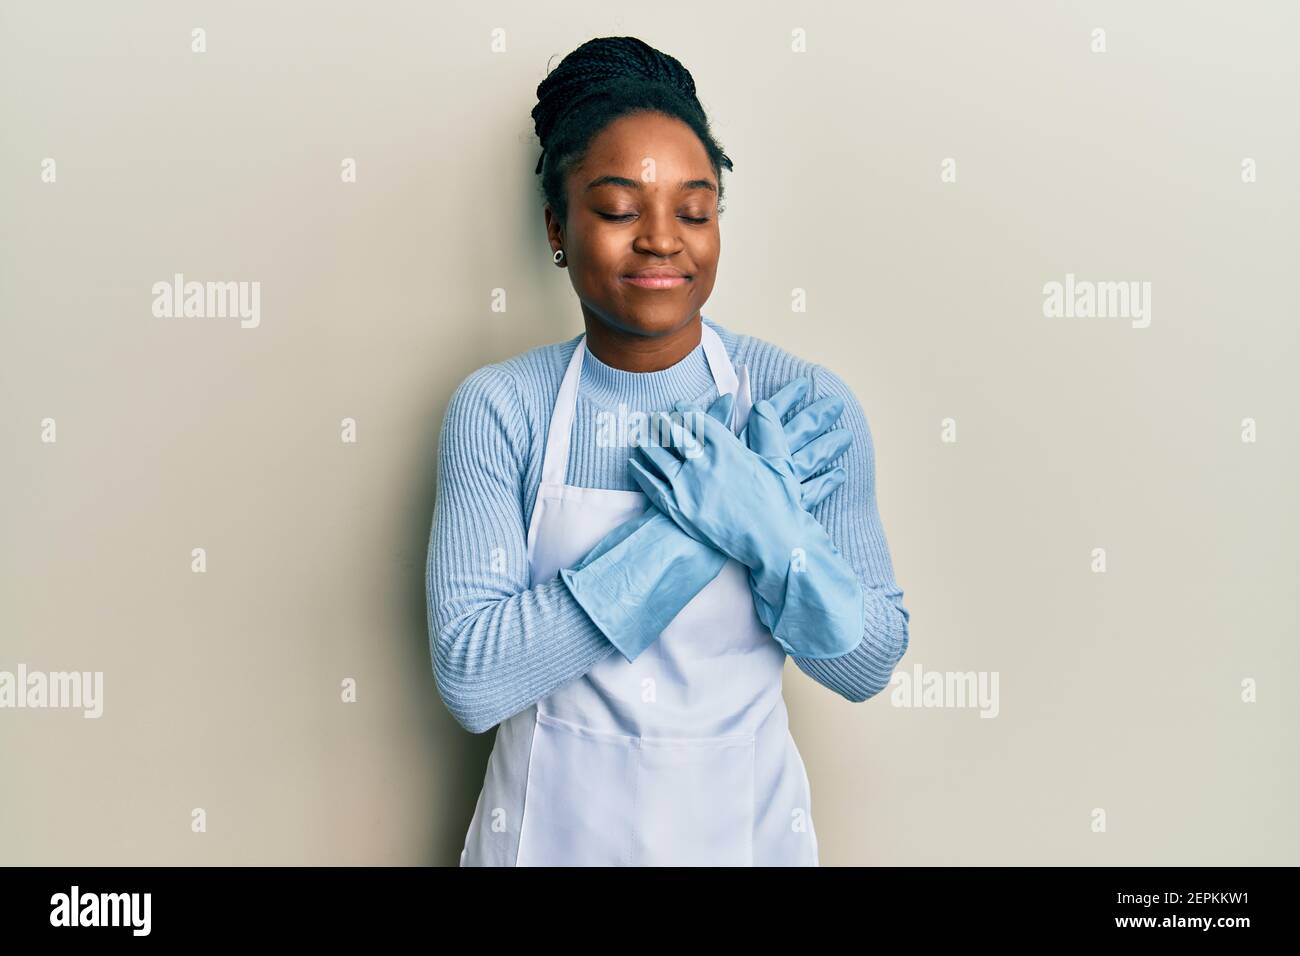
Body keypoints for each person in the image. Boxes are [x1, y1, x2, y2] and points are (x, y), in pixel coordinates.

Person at [427, 36, 909, 867]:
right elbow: (474, 680)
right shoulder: (501, 409)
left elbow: (867, 660)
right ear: (556, 225)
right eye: (618, 210)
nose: (662, 241)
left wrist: (770, 529)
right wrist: (692, 531)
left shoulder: (803, 405)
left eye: (695, 210)